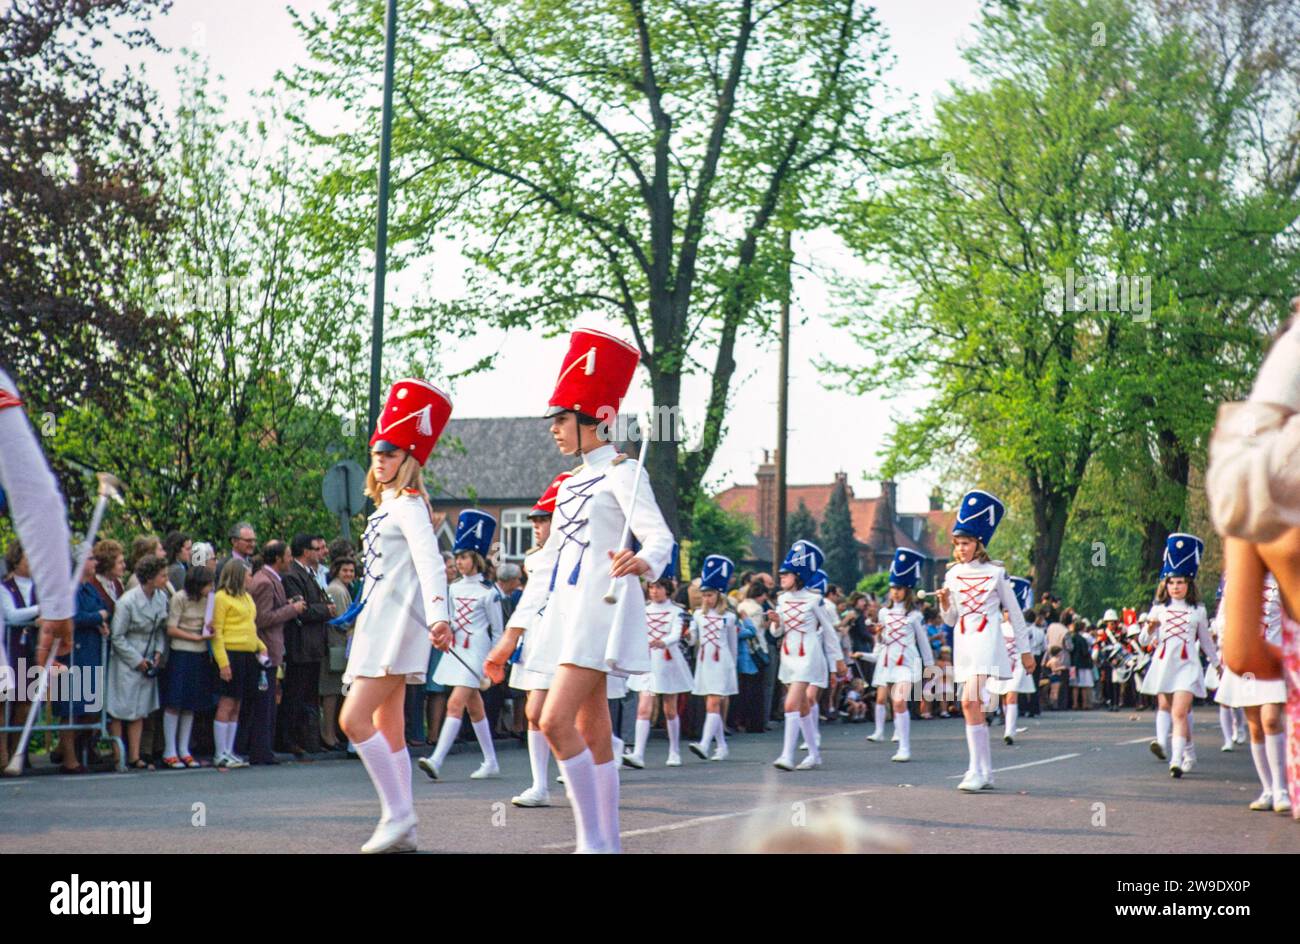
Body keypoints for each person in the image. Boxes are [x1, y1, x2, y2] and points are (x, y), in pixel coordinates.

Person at [487, 329, 672, 854]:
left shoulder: (624, 473)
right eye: (554, 420)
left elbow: (659, 536)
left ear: (597, 420)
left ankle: (593, 841)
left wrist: (642, 560)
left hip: (600, 608)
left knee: (552, 720)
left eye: (564, 419)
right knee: (591, 730)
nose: (554, 429)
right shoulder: (567, 484)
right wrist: (509, 640)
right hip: (563, 615)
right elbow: (544, 569)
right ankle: (605, 841)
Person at [337, 378, 453, 854]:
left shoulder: (407, 505)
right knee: (390, 727)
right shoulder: (385, 506)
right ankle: (404, 825)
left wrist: (441, 616)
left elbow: (429, 562)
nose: (380, 460)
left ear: (407, 460)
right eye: (377, 453)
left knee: (352, 719)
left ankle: (399, 814)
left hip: (398, 625)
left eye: (390, 454)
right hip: (378, 621)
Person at [936, 490, 1033, 792]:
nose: (961, 549)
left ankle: (974, 770)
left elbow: (1015, 615)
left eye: (966, 543)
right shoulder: (952, 576)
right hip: (964, 642)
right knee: (971, 704)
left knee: (968, 700)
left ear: (979, 543)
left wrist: (1027, 652)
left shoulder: (996, 573)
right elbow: (950, 620)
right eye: (957, 544)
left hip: (988, 641)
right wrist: (944, 603)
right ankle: (985, 771)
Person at [488, 471, 572, 806]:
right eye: (534, 520)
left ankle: (580, 773)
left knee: (569, 715)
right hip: (537, 637)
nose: (537, 526)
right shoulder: (533, 558)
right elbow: (529, 600)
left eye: (544, 520)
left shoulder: (572, 553)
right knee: (535, 711)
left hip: (566, 637)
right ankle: (540, 785)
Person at [419, 510, 505, 780]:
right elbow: (454, 620)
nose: (459, 562)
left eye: (464, 556)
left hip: (478, 650)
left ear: (476, 559)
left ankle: (437, 760)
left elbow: (498, 631)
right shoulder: (454, 588)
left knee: (454, 703)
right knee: (474, 706)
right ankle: (491, 761)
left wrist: (493, 662)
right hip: (458, 649)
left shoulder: (489, 593)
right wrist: (442, 634)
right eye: (457, 557)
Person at [1137, 534, 1216, 778]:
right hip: (1163, 663)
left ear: (1189, 584)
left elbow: (1205, 642)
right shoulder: (1158, 610)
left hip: (1188, 665)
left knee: (1180, 712)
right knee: (1165, 705)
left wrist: (1217, 664)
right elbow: (1143, 641)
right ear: (1166, 584)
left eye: (1180, 582)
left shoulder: (1198, 611)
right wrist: (1148, 630)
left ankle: (1176, 760)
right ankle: (1177, 747)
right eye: (1172, 582)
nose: (1176, 587)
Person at [1214, 572, 1289, 811]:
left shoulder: (1284, 577)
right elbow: (1222, 619)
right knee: (1255, 726)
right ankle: (1267, 789)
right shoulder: (1239, 577)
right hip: (1247, 663)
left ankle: (1281, 789)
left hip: (1274, 662)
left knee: (1271, 720)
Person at [770, 541, 844, 771]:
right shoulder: (782, 599)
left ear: (799, 575)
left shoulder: (814, 600)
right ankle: (814, 754)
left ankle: (787, 756)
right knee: (802, 707)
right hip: (789, 654)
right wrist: (775, 623)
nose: (781, 577)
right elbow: (778, 632)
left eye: (786, 574)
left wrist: (837, 660)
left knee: (790, 703)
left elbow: (829, 631)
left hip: (809, 654)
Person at [866, 549, 933, 762]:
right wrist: (878, 636)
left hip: (907, 662)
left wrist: (930, 668)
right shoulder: (883, 613)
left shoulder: (914, 615)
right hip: (888, 661)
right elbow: (884, 640)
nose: (895, 592)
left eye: (900, 588)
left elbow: (923, 643)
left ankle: (904, 747)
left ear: (908, 590)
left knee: (898, 701)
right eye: (893, 587)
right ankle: (882, 731)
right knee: (884, 698)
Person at [624, 565, 692, 769]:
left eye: (659, 587)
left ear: (668, 589)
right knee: (644, 707)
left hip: (668, 663)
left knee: (669, 709)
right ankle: (638, 753)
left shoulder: (677, 611)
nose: (654, 591)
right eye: (651, 587)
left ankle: (674, 751)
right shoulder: (643, 610)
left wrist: (664, 641)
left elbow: (676, 633)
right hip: (648, 664)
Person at [106, 555, 170, 770]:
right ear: (150, 578)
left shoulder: (161, 598)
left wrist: (159, 651)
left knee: (140, 708)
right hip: (127, 657)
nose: (166, 579)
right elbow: (117, 636)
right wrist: (136, 660)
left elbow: (160, 628)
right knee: (120, 706)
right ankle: (118, 756)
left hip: (149, 652)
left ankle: (134, 755)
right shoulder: (128, 601)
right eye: (162, 575)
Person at [245, 540, 305, 764]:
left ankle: (265, 748)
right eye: (288, 555)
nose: (290, 559)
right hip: (265, 650)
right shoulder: (265, 582)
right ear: (278, 558)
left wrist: (287, 604)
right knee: (264, 702)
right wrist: (292, 609)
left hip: (272, 650)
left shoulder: (271, 580)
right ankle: (261, 750)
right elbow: (262, 618)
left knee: (270, 700)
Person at [210, 557, 269, 769]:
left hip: (247, 654)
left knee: (238, 703)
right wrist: (223, 662)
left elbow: (248, 627)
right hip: (231, 653)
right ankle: (220, 752)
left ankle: (230, 749)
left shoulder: (247, 598)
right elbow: (216, 633)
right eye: (249, 574)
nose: (251, 577)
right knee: (227, 702)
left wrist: (259, 645)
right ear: (239, 575)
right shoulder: (221, 598)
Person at [52, 553, 108, 773]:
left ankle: (62, 748)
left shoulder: (90, 587)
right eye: (91, 558)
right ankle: (69, 758)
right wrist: (98, 618)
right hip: (72, 654)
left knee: (90, 708)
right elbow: (72, 616)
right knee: (70, 708)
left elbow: (104, 608)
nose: (95, 562)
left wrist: (101, 619)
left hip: (90, 652)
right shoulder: (69, 589)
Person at [159, 565, 218, 769]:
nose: (210, 588)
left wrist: (210, 630)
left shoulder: (209, 600)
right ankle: (170, 750)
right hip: (182, 652)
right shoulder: (179, 599)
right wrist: (194, 636)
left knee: (191, 703)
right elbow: (171, 628)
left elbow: (210, 622)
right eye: (208, 584)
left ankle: (184, 749)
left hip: (200, 653)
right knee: (175, 701)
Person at [686, 555, 739, 761]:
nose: (706, 598)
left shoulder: (729, 617)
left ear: (719, 595)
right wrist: (688, 635)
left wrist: (731, 669)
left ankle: (705, 744)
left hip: (722, 662)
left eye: (710, 594)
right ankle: (722, 746)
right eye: (704, 594)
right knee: (712, 703)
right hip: (704, 661)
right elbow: (692, 640)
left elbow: (733, 646)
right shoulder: (697, 615)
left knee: (714, 702)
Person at [987, 577, 1035, 745]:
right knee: (1003, 696)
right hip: (1002, 663)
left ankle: (1009, 732)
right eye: (1005, 611)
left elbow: (1028, 649)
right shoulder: (997, 627)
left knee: (1012, 695)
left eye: (1011, 611)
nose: (1008, 614)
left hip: (1018, 665)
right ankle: (1010, 724)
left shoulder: (1024, 629)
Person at [322, 557, 356, 750]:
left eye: (351, 571)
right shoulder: (336, 590)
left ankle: (334, 733)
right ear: (336, 571)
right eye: (345, 571)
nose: (349, 574)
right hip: (336, 645)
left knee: (338, 691)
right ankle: (328, 733)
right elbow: (342, 621)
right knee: (331, 692)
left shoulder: (343, 589)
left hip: (341, 645)